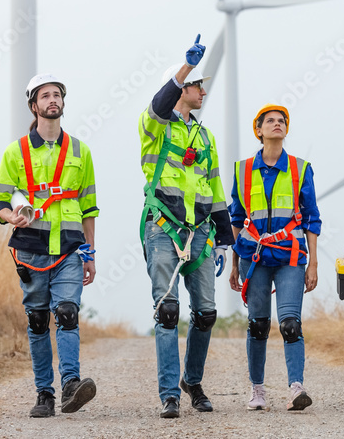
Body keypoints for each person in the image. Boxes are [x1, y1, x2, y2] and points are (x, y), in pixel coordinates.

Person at [0, 74, 99, 418]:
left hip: (69, 247)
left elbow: (89, 208)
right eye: (45, 96)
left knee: (67, 312)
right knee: (38, 320)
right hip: (31, 248)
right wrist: (11, 217)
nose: (53, 100)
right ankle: (44, 394)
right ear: (33, 106)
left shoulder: (81, 151)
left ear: (63, 103)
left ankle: (71, 385)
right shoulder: (16, 151)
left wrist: (90, 253)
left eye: (57, 95)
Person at [139, 35, 233, 419]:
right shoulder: (155, 126)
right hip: (163, 228)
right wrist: (185, 68)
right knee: (167, 310)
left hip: (201, 234)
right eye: (197, 84)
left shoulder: (205, 136)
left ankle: (191, 381)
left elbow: (214, 187)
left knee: (206, 312)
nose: (202, 90)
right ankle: (169, 395)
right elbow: (160, 105)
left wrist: (226, 240)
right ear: (180, 89)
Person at [228, 104, 321, 412]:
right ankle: (257, 390)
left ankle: (297, 387)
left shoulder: (300, 168)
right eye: (270, 121)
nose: (277, 124)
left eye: (282, 121)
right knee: (257, 325)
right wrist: (232, 264)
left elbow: (311, 219)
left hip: (290, 256)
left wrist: (314, 263)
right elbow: (236, 219)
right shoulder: (242, 170)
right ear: (259, 130)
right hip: (252, 257)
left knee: (290, 324)